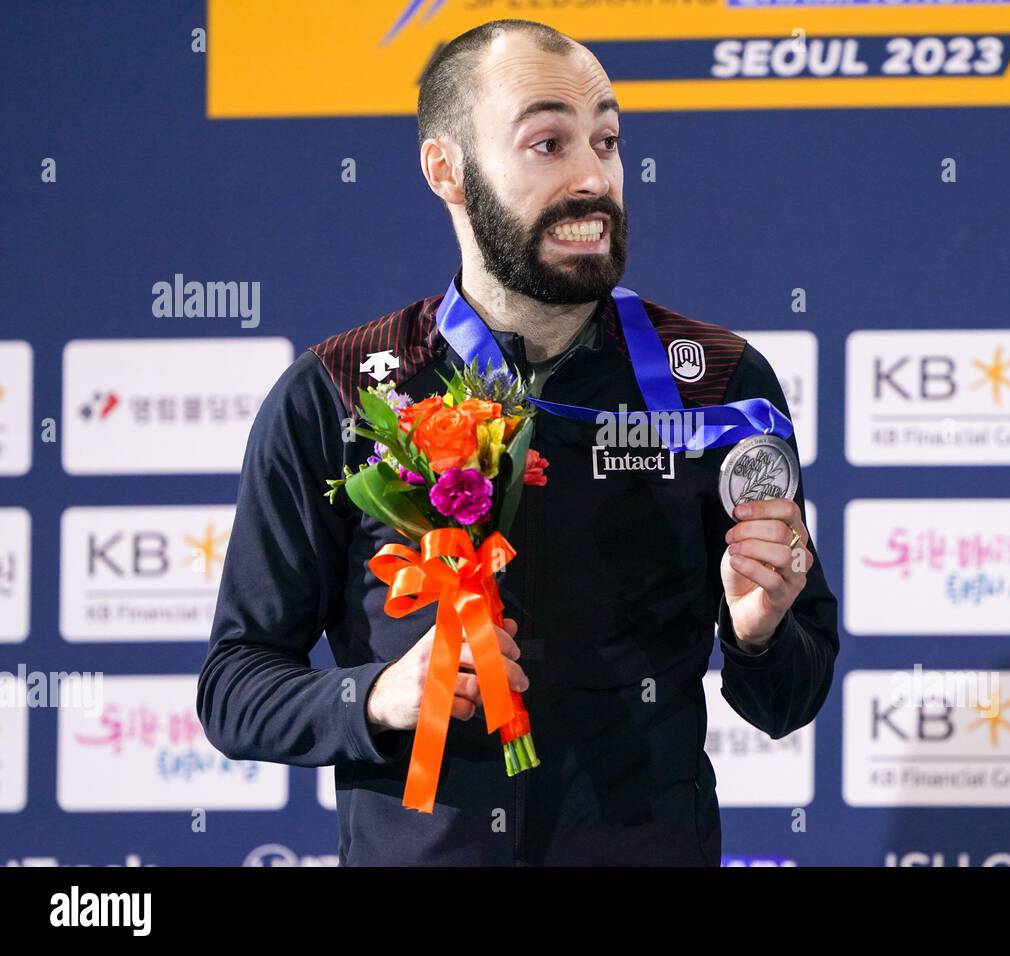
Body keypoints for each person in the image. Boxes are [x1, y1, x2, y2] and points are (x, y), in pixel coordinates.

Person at [197, 17, 839, 866]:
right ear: (447, 170)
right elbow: (235, 689)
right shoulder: (341, 393)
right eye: (549, 144)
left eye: (607, 141)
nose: (593, 178)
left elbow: (788, 699)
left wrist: (759, 635)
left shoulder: (717, 387)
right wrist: (381, 697)